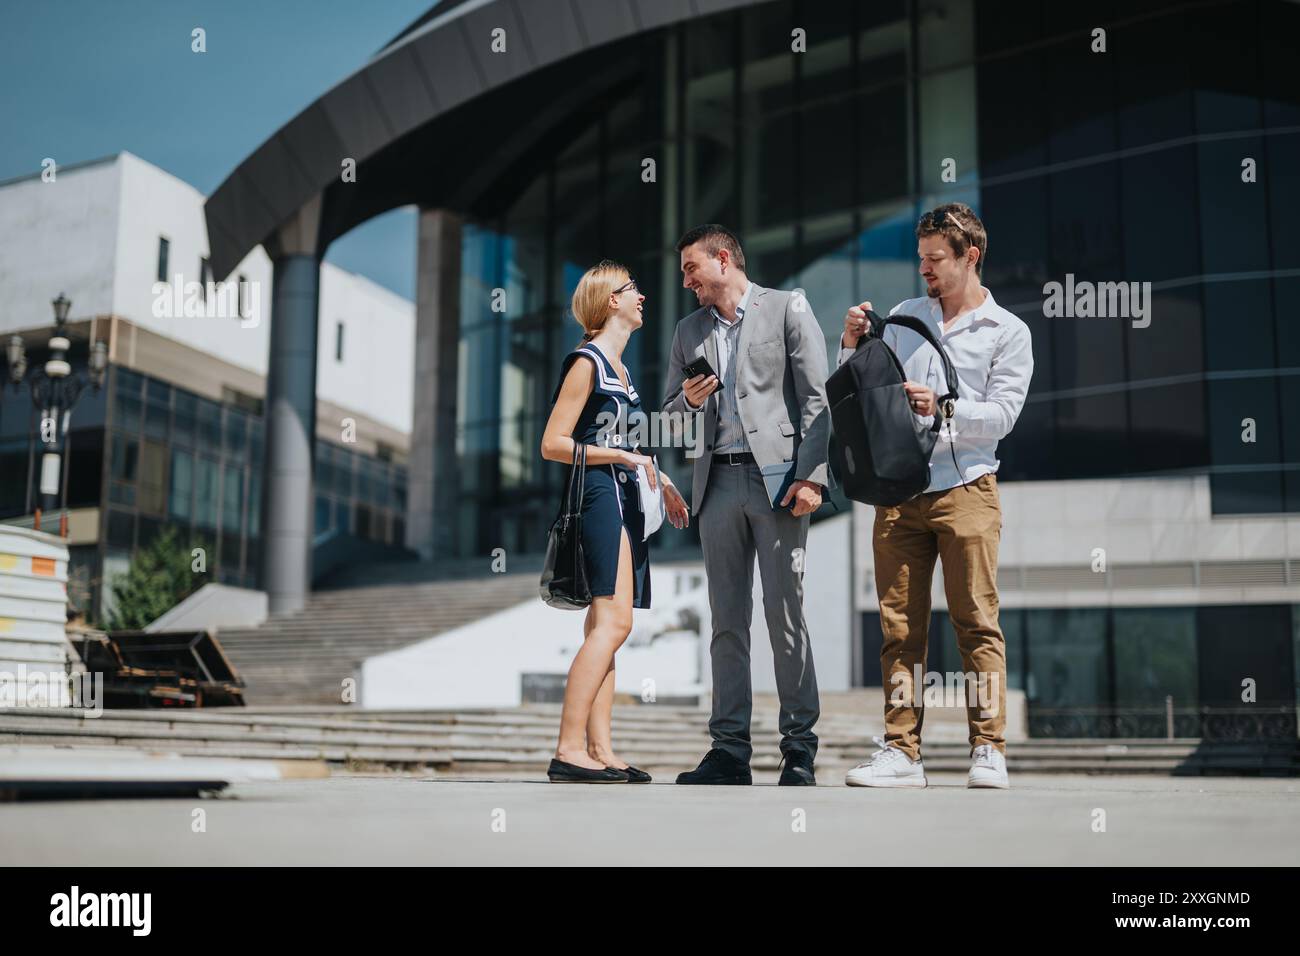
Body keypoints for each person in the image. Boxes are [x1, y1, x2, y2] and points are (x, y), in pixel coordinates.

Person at [837, 202, 1033, 790]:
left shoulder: (1008, 332)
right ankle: (902, 752)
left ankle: (988, 749)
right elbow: (865, 389)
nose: (924, 269)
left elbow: (1002, 415)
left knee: (976, 623)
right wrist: (850, 344)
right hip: (899, 493)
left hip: (968, 488)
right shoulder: (902, 316)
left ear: (970, 256)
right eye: (920, 258)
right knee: (900, 628)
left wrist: (941, 406)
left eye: (935, 259)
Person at [662, 224, 829, 786]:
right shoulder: (688, 331)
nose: (686, 281)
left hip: (778, 484)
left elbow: (816, 401)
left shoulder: (786, 309)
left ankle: (799, 749)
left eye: (691, 269)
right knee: (726, 622)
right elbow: (668, 416)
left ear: (724, 259)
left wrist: (813, 478)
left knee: (785, 616)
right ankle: (730, 751)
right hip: (715, 488)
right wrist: (685, 400)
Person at [540, 260, 689, 783]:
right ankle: (567, 749)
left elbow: (629, 444)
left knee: (605, 625)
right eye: (633, 289)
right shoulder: (585, 362)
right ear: (611, 302)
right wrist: (619, 458)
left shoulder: (622, 372)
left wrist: (657, 473)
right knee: (615, 624)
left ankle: (599, 749)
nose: (642, 296)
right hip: (599, 495)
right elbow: (553, 444)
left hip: (626, 497)